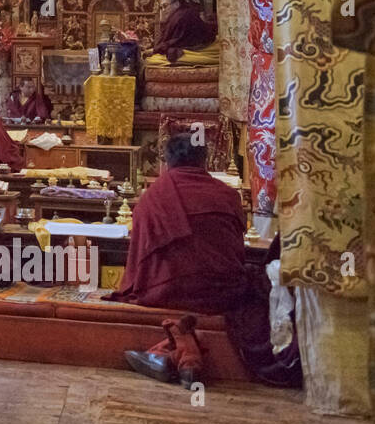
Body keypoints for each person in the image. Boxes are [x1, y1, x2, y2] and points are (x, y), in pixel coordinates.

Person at [114, 135, 299, 387]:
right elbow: (234, 250)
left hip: (164, 292)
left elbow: (137, 260)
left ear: (167, 162)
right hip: (221, 294)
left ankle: (174, 352)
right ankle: (182, 352)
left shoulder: (152, 197)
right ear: (204, 161)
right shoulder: (227, 195)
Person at [147, 0, 219, 65]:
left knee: (153, 60)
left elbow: (178, 41)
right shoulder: (177, 16)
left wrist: (156, 49)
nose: (163, 10)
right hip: (192, 45)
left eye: (165, 6)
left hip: (198, 48)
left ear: (177, 4)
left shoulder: (181, 17)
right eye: (161, 8)